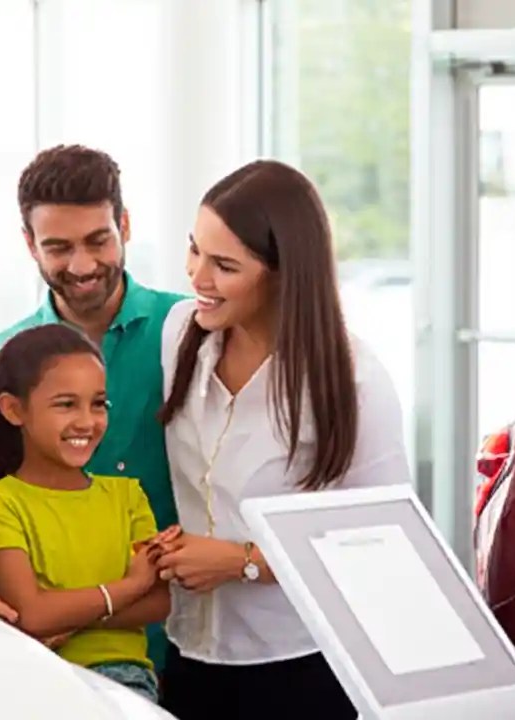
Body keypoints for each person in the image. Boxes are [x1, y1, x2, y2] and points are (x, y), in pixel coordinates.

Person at [151, 159, 411, 719]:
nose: (196, 277)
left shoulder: (355, 381)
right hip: (189, 658)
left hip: (300, 669)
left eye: (224, 265)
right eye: (194, 249)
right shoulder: (179, 334)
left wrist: (240, 561)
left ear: (283, 273)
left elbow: (379, 547)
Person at [0, 144, 185, 672]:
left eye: (98, 240)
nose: (82, 266)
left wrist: (60, 611)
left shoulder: (186, 332)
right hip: (44, 666)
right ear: (29, 245)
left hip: (184, 651)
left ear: (124, 226)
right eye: (58, 247)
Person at [0, 323, 171, 703]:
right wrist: (127, 588)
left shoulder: (127, 495)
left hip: (125, 680)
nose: (86, 421)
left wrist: (57, 612)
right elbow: (33, 615)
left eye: (98, 403)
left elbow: (158, 602)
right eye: (65, 404)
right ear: (14, 410)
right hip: (35, 681)